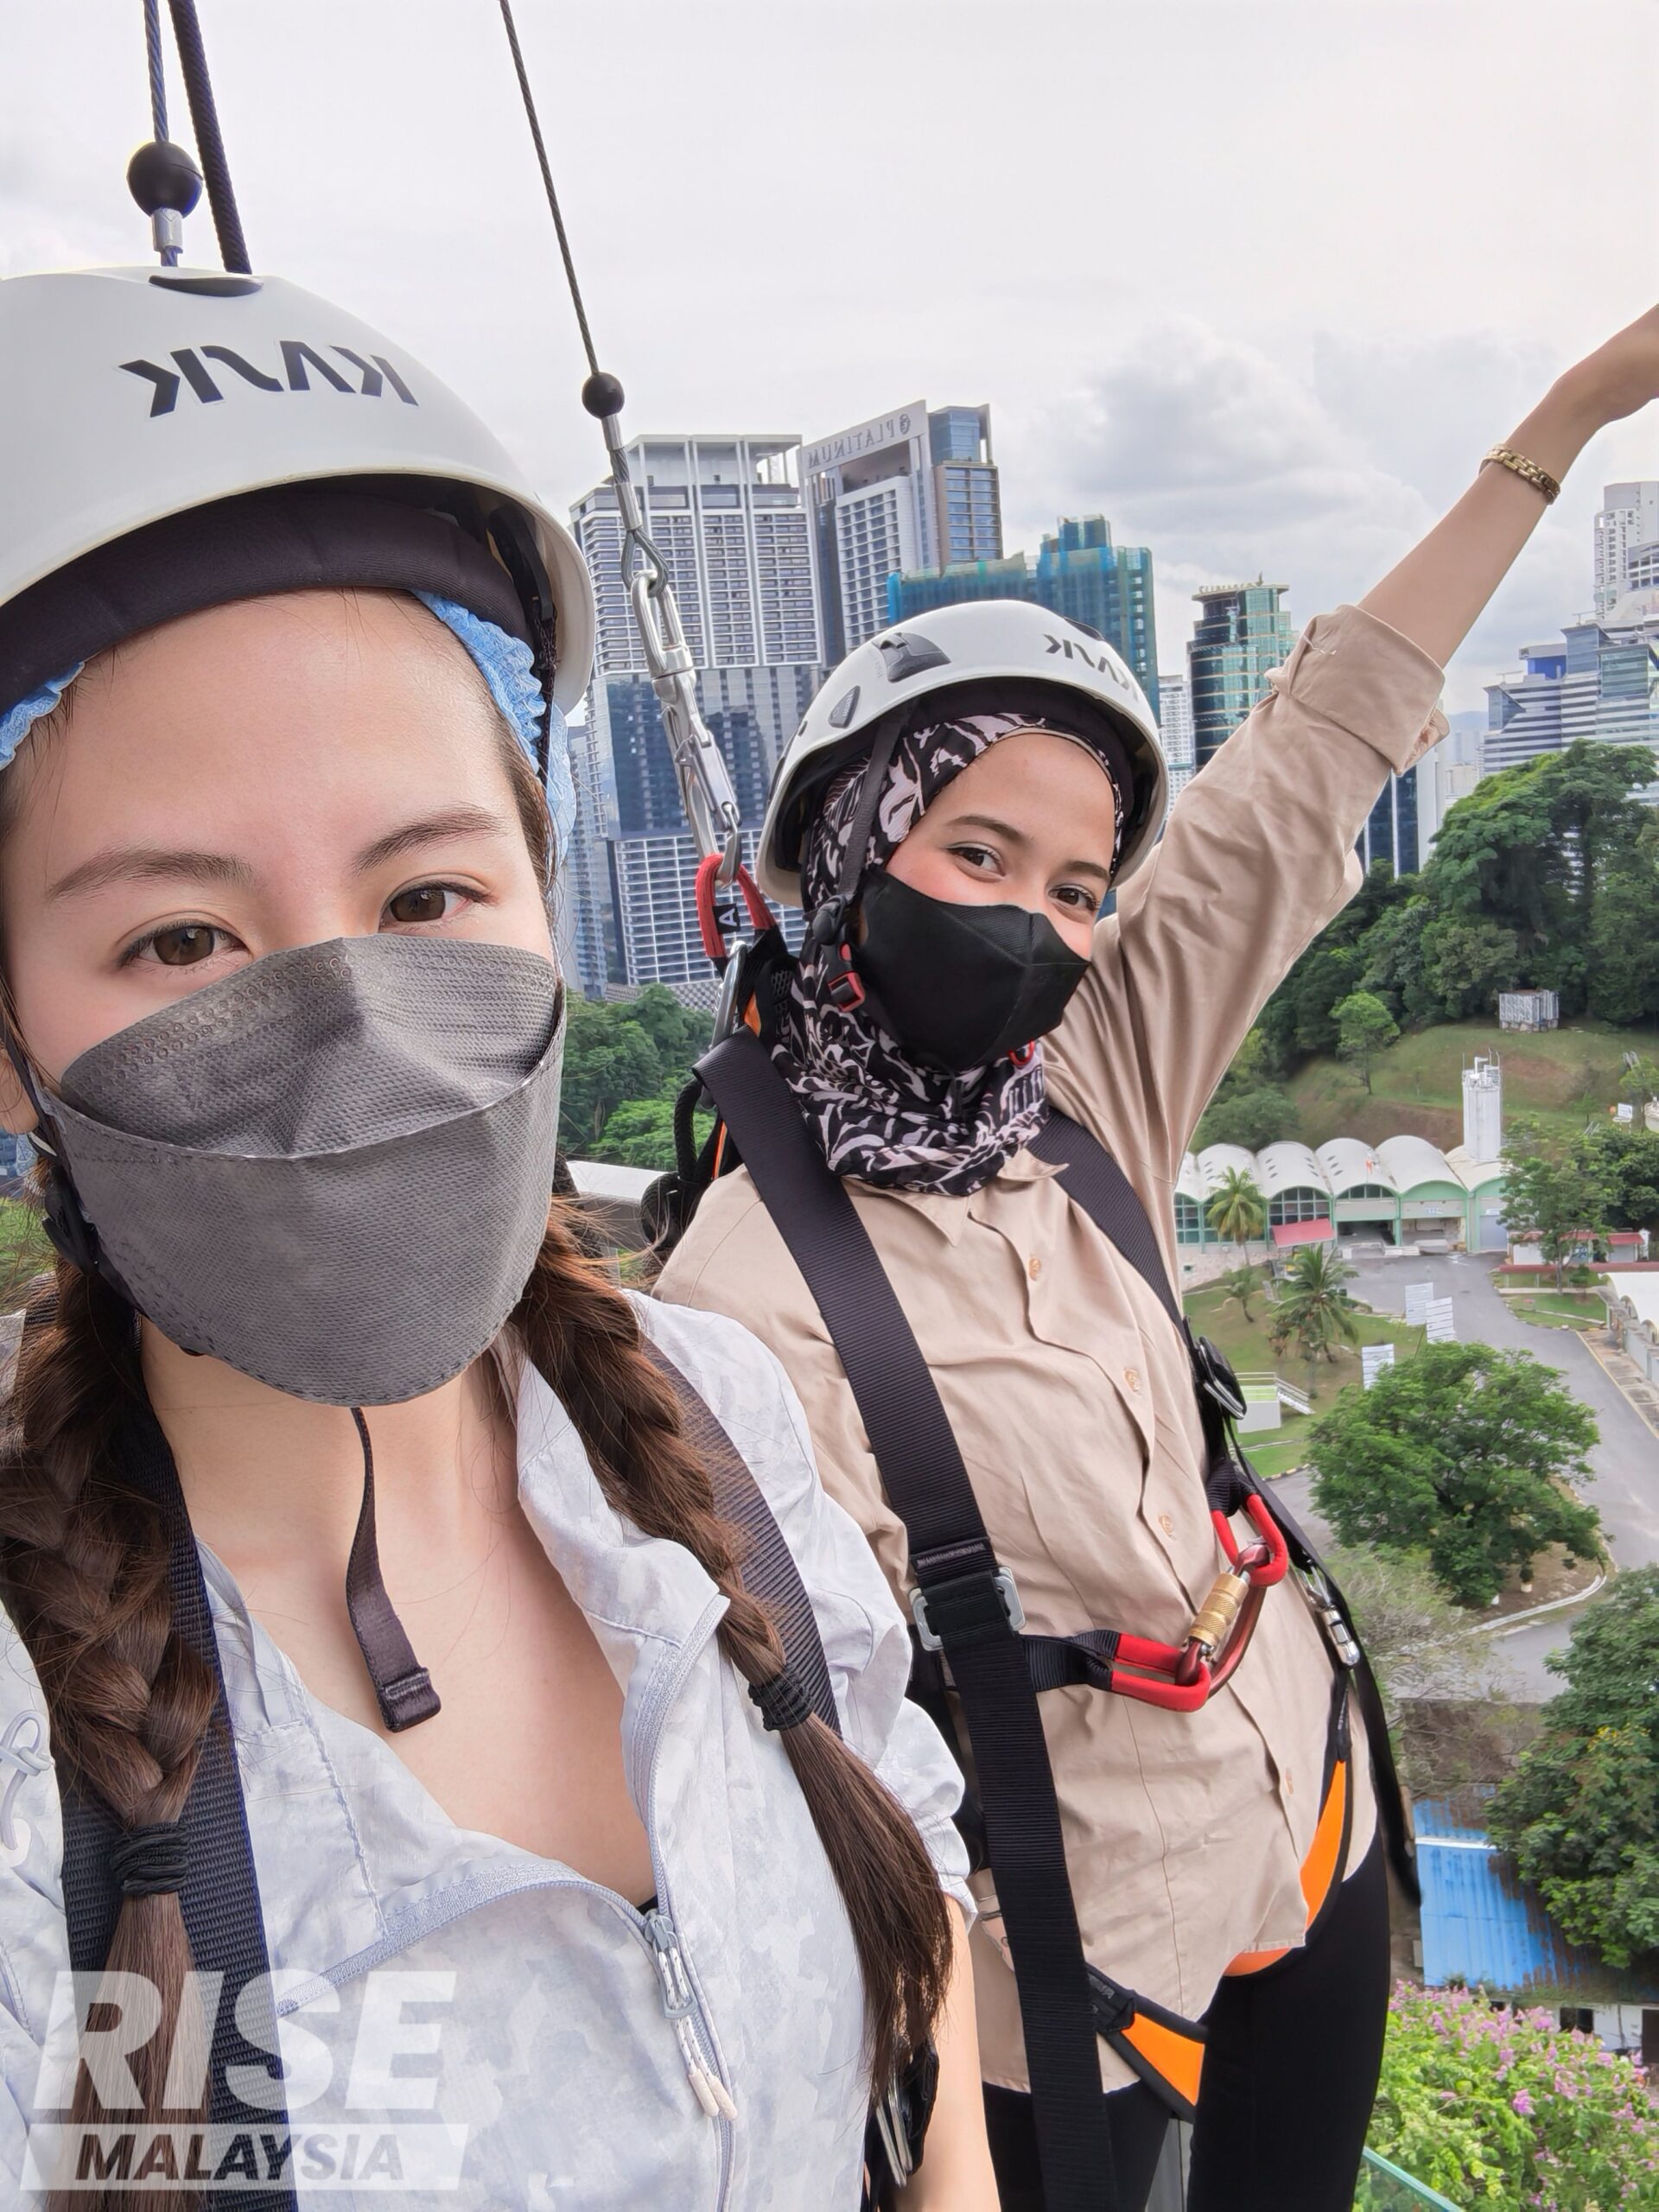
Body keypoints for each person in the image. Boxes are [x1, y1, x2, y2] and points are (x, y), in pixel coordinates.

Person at [0, 265, 1001, 2210]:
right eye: (181, 938)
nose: (353, 1017)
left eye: (431, 888)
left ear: (550, 907)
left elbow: (909, 1892)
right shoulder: (39, 1761)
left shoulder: (710, 1418)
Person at [656, 305, 1659, 2212]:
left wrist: (1572, 414)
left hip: (1305, 1828)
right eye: (975, 852)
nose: (1035, 924)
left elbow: (1319, 746)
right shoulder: (742, 1302)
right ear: (844, 850)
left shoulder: (1085, 1086)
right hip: (1068, 1968)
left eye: (1077, 883)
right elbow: (827, 1774)